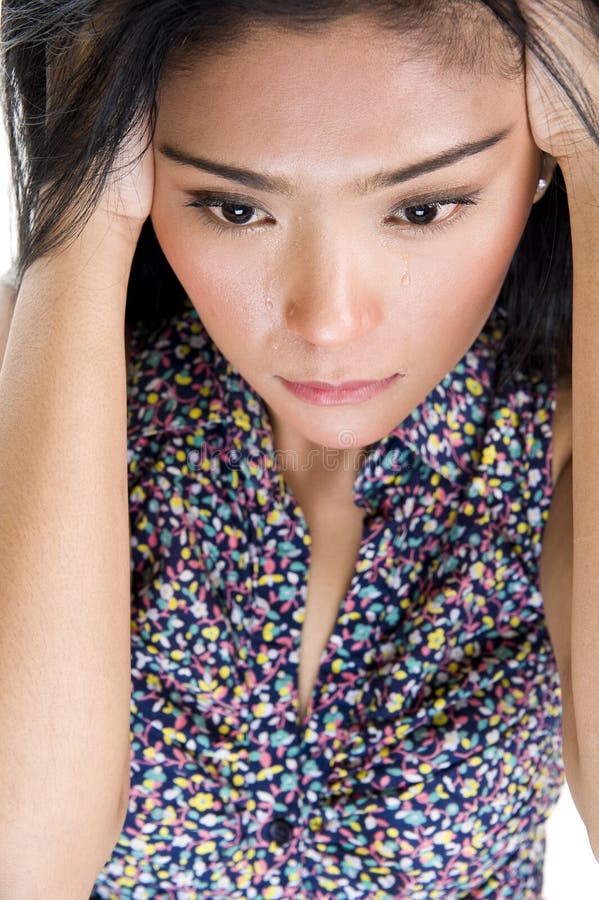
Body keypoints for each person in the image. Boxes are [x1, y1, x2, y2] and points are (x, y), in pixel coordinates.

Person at [0, 1, 597, 897]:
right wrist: (78, 205)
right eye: (234, 208)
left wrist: (595, 139)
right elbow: (22, 863)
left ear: (542, 164)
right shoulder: (33, 394)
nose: (326, 322)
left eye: (422, 208)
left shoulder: (561, 449)